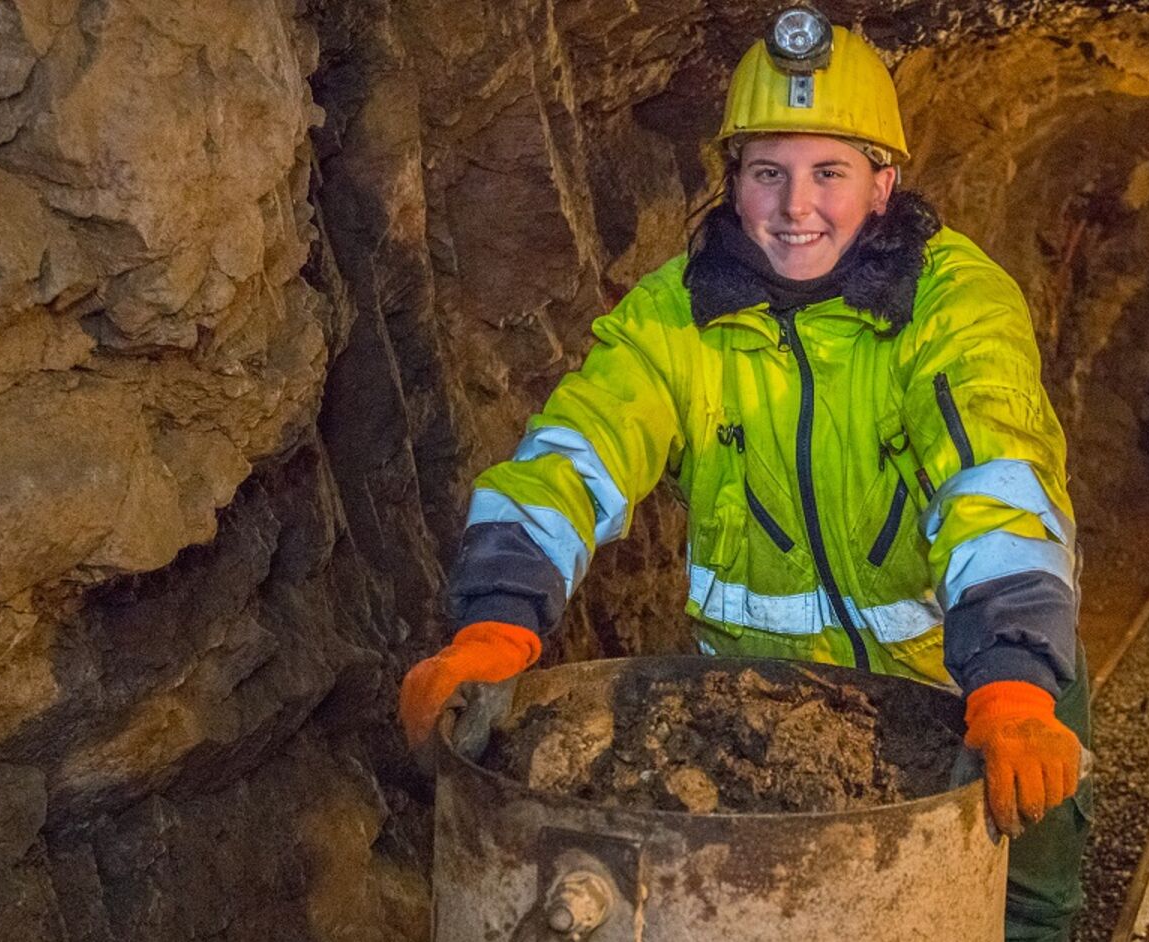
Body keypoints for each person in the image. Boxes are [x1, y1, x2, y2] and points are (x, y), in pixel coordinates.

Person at [398, 10, 1092, 939]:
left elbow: (994, 482)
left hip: (975, 688)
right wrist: (493, 623)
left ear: (884, 183)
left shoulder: (955, 307)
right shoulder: (678, 318)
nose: (795, 206)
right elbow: (577, 450)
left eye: (829, 173)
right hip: (770, 719)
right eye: (769, 172)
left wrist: (1011, 682)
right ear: (733, 181)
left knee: (1021, 910)